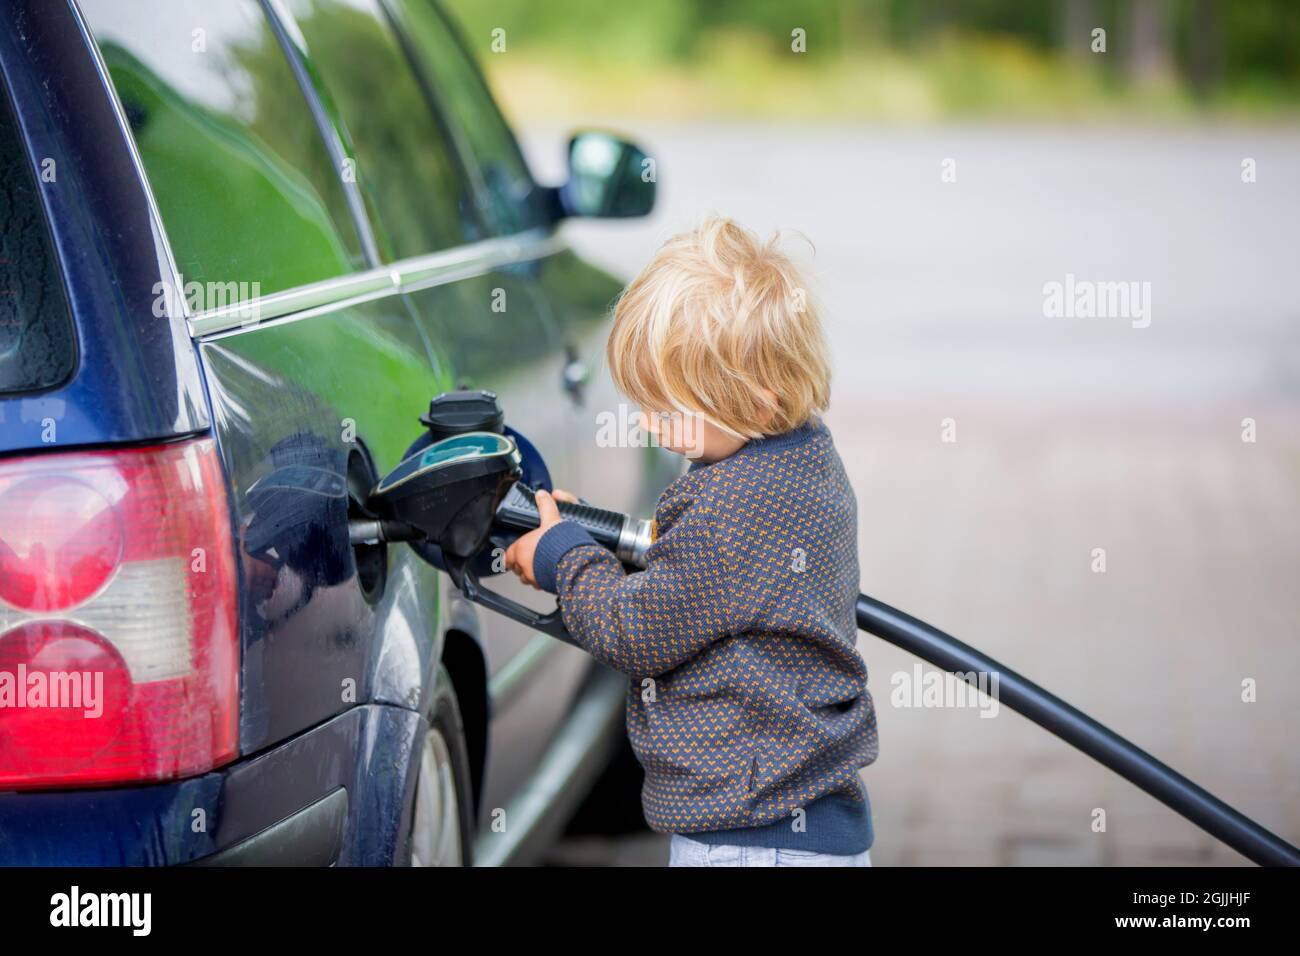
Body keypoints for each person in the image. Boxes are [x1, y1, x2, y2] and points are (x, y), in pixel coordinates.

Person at [505, 217, 877, 866]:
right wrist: (584, 532)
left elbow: (637, 629)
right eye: (645, 405)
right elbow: (702, 579)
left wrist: (565, 558)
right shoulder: (805, 458)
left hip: (747, 837)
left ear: (758, 404)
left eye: (670, 410)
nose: (651, 426)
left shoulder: (732, 507)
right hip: (806, 822)